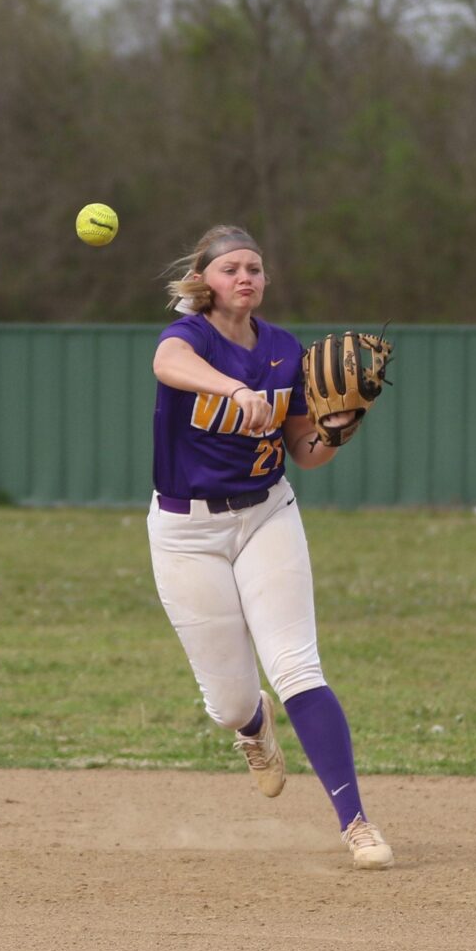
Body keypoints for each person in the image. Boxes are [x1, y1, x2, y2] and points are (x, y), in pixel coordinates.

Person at [146, 224, 392, 870]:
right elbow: (166, 364)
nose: (244, 277)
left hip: (265, 515)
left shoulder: (285, 350)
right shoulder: (189, 338)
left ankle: (357, 823)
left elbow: (306, 454)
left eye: (253, 267)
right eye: (230, 268)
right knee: (229, 702)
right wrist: (232, 389)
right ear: (205, 281)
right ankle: (253, 725)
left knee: (297, 667)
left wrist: (338, 429)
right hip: (187, 532)